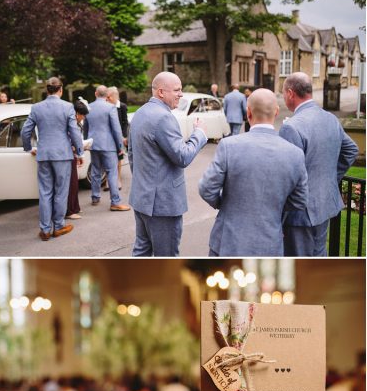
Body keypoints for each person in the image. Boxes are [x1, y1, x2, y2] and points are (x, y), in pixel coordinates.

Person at [198, 88, 308, 256]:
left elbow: (206, 188)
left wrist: (224, 203)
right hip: (269, 242)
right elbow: (300, 200)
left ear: (248, 112)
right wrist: (274, 205)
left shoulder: (229, 146)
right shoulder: (295, 154)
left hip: (228, 240)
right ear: (277, 112)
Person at [279, 72, 359, 256]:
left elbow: (287, 176)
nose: (284, 98)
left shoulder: (291, 127)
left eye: (283, 94)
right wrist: (331, 177)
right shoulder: (330, 118)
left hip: (299, 213)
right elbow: (351, 150)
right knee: (319, 255)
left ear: (291, 93)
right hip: (326, 204)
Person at [128, 71, 208, 256]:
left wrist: (145, 183)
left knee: (141, 252)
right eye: (177, 90)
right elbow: (182, 157)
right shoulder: (163, 117)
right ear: (161, 92)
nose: (181, 94)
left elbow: (132, 154)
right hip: (162, 205)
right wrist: (200, 134)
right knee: (167, 258)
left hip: (142, 198)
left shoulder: (140, 113)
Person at [21, 77, 84, 241]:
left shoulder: (36, 107)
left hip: (44, 154)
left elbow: (25, 131)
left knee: (45, 192)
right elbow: (74, 131)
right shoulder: (67, 107)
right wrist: (79, 151)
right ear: (60, 89)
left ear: (46, 90)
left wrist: (28, 148)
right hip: (62, 154)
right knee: (61, 192)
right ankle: (59, 226)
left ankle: (45, 230)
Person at [86, 85, 129, 211]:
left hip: (93, 144)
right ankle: (115, 202)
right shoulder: (110, 108)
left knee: (95, 171)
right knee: (112, 172)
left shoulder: (89, 107)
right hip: (108, 145)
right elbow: (116, 129)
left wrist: (87, 142)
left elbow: (86, 127)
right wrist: (120, 146)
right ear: (106, 95)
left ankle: (95, 197)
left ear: (95, 94)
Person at [66, 99, 89, 219]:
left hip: (73, 153)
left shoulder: (75, 122)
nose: (83, 118)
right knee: (71, 183)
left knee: (74, 182)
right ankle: (70, 210)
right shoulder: (71, 122)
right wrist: (80, 152)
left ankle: (74, 207)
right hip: (69, 153)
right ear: (77, 113)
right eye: (83, 115)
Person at [108, 86, 129, 191]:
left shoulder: (122, 106)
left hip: (119, 135)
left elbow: (125, 122)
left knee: (119, 158)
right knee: (108, 158)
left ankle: (118, 179)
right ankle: (108, 181)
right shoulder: (107, 106)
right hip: (108, 135)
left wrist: (124, 136)